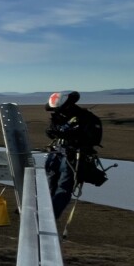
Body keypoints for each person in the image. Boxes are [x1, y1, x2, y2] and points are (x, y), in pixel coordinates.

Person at [43, 90, 103, 220]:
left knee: (63, 188)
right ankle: (45, 214)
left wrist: (69, 134)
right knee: (49, 185)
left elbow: (90, 139)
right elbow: (51, 131)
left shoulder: (86, 118)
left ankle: (49, 218)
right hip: (57, 153)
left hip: (73, 156)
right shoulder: (60, 116)